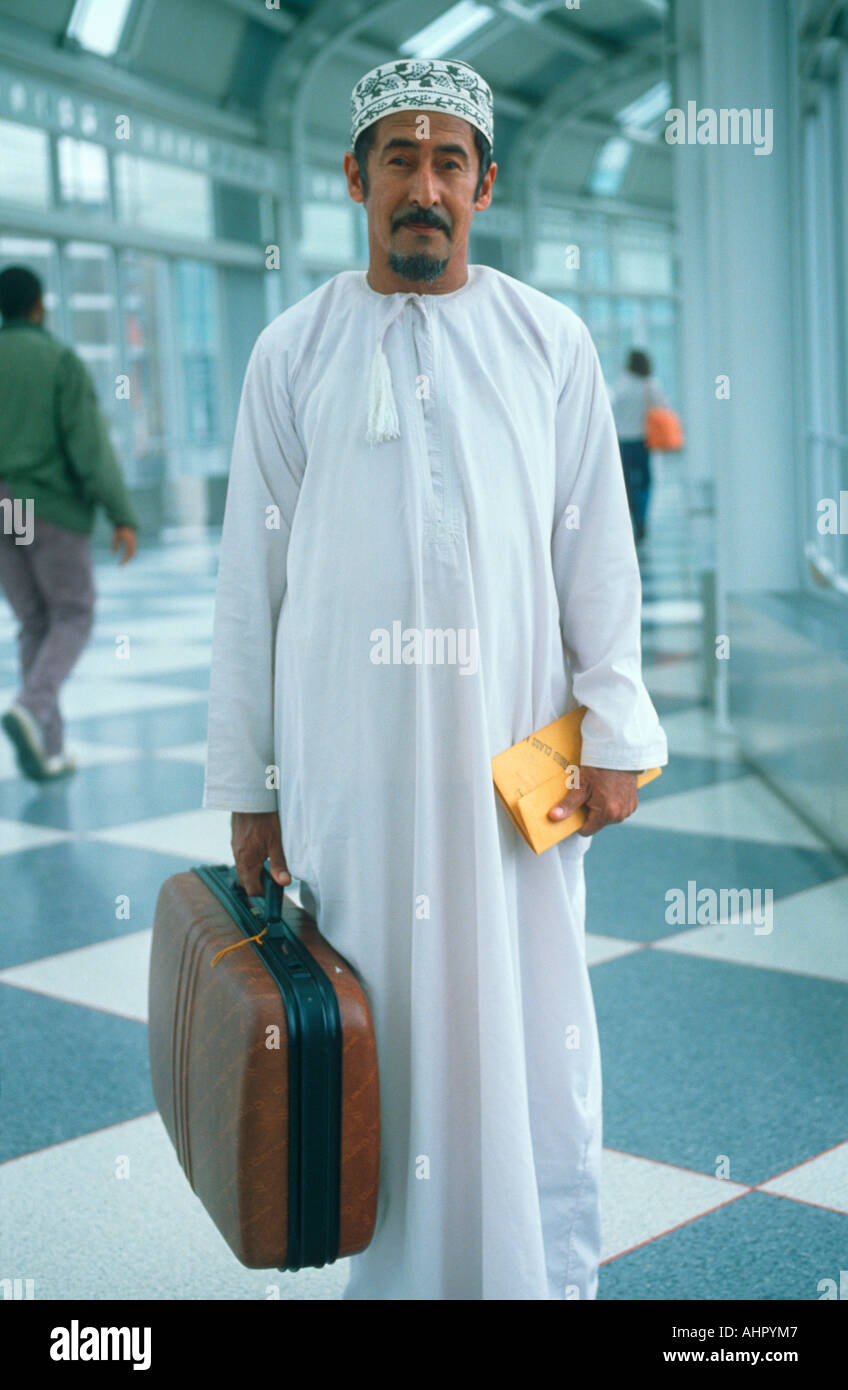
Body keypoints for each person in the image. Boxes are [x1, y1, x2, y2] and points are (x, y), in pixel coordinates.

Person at [202, 57, 668, 1301]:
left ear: (485, 184)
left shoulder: (547, 340)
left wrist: (616, 724)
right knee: (380, 1037)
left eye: (447, 162)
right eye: (398, 162)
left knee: (529, 1027)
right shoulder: (289, 353)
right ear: (353, 178)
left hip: (522, 769)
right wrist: (252, 785)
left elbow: (597, 555)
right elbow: (250, 584)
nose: (424, 186)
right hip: (355, 778)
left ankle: (536, 1273)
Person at [0, 265, 139, 780]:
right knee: (73, 614)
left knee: (36, 620)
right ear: (38, 306)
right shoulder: (58, 361)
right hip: (49, 505)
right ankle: (31, 706)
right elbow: (89, 448)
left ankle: (47, 748)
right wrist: (122, 515)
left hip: (8, 509)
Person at [611, 347, 670, 543]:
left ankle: (633, 518)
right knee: (645, 482)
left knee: (626, 483)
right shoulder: (650, 384)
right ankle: (642, 517)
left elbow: (612, 412)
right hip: (643, 440)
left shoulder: (621, 384)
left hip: (622, 441)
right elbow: (662, 408)